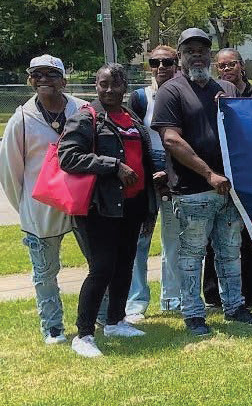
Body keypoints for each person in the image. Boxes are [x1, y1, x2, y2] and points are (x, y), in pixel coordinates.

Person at [152, 27, 252, 336]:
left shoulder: (225, 88)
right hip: (193, 191)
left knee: (230, 252)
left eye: (202, 50)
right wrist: (209, 174)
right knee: (192, 255)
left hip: (229, 190)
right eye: (190, 51)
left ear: (210, 55)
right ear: (180, 56)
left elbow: (246, 128)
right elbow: (171, 140)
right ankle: (193, 313)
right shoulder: (170, 91)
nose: (197, 55)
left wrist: (231, 106)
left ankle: (235, 306)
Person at [59, 63, 160, 357]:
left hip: (132, 205)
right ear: (96, 85)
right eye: (103, 84)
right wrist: (113, 165)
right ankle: (84, 334)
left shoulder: (131, 117)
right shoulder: (86, 118)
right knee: (102, 268)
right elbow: (68, 157)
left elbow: (144, 157)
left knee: (125, 264)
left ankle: (115, 321)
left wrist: (151, 200)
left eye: (116, 84)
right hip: (100, 208)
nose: (109, 90)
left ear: (125, 87)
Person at [0, 54, 88, 345]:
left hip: (82, 202)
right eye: (36, 74)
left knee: (98, 263)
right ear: (29, 80)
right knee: (45, 272)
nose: (43, 79)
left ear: (64, 80)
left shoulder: (82, 110)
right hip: (41, 208)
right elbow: (10, 171)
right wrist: (25, 207)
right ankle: (53, 328)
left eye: (50, 74)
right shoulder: (22, 119)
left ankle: (100, 317)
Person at [201, 48, 252, 308]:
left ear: (242, 65)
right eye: (222, 66)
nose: (227, 69)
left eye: (231, 64)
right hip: (220, 172)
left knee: (251, 234)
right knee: (215, 236)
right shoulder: (209, 94)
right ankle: (213, 294)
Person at [117, 46, 180, 320]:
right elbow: (132, 138)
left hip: (176, 168)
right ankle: (136, 303)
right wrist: (148, 171)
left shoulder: (183, 93)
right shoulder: (141, 98)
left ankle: (173, 299)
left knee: (174, 240)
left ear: (177, 64)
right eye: (155, 62)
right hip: (145, 172)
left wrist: (170, 170)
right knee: (140, 240)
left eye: (167, 62)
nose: (161, 67)